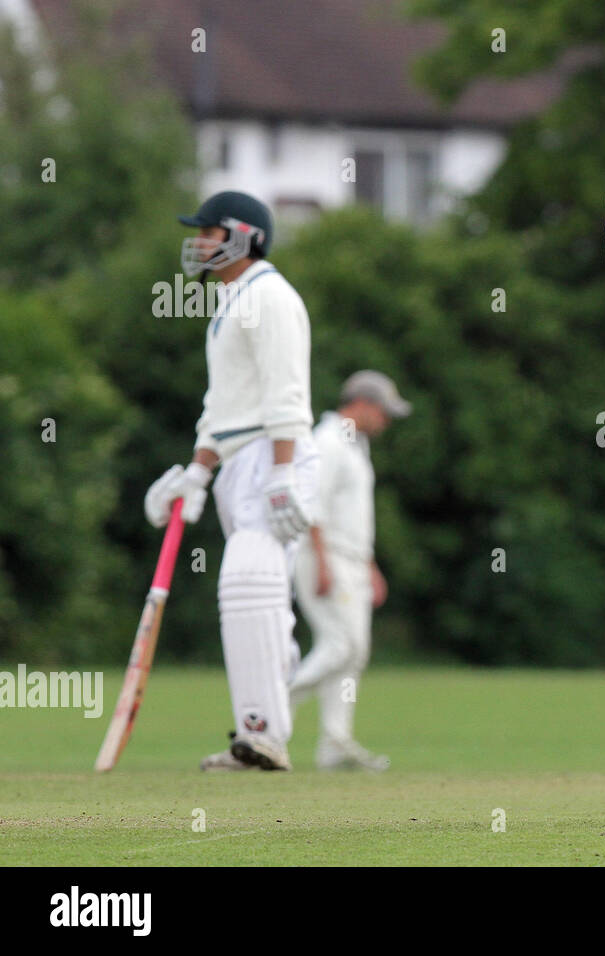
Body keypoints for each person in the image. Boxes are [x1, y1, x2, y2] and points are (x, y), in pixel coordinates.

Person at [145, 190, 318, 772]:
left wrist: (284, 470)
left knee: (249, 588)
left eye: (209, 232)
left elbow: (285, 390)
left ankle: (264, 735)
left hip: (274, 457)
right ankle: (257, 732)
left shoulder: (269, 295)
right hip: (243, 461)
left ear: (243, 236)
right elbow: (221, 406)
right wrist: (197, 470)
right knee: (259, 600)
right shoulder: (230, 301)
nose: (198, 242)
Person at [289, 371, 410, 771]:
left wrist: (370, 566)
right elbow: (314, 505)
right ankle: (271, 711)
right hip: (326, 557)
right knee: (341, 646)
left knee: (353, 653)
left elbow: (354, 516)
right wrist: (321, 561)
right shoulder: (328, 442)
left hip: (352, 559)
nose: (386, 422)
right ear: (360, 403)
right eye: (383, 411)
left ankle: (334, 745)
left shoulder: (355, 446)